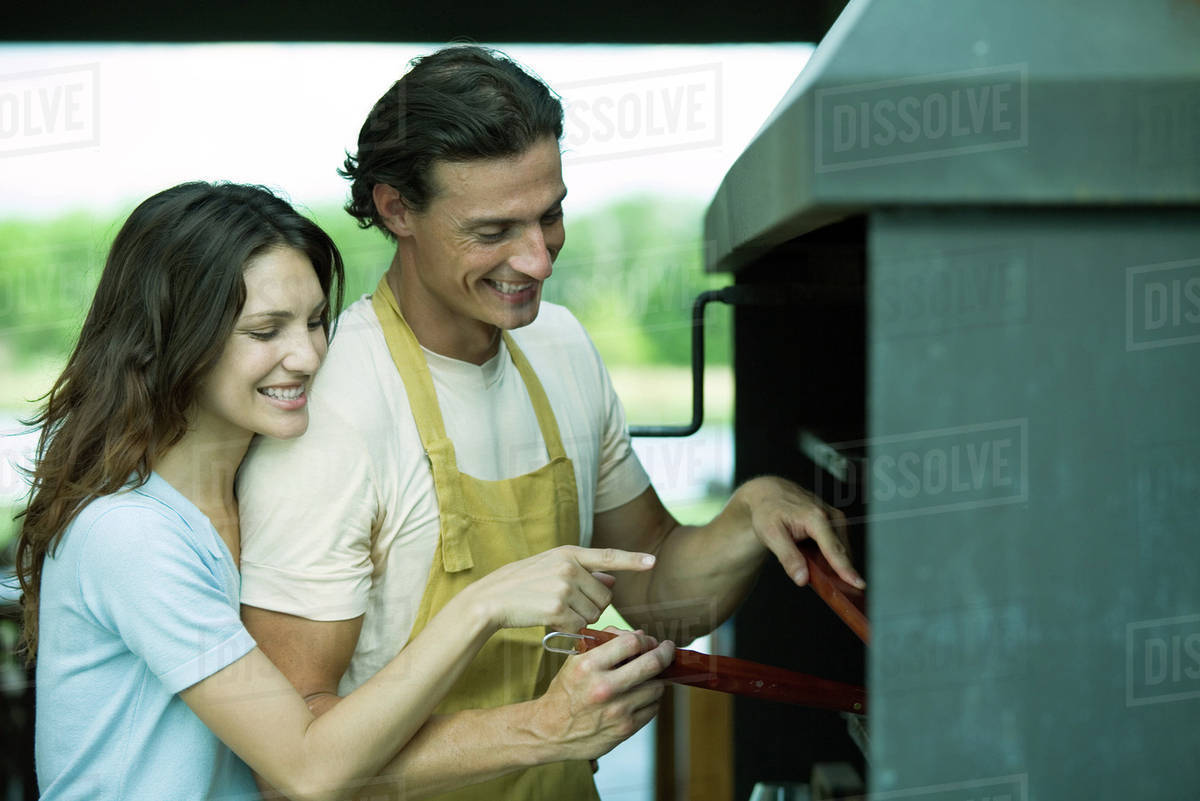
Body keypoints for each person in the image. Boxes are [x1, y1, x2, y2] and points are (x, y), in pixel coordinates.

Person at [236, 46, 864, 800]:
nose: (537, 260)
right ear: (397, 209)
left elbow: (657, 599)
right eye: (493, 230)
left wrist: (746, 514)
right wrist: (541, 729)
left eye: (551, 215)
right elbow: (290, 763)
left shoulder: (560, 347)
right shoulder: (330, 410)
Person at [15, 181, 661, 801]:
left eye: (315, 321)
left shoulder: (237, 497)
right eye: (266, 331)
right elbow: (307, 769)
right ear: (173, 338)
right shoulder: (131, 534)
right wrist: (486, 610)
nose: (307, 356)